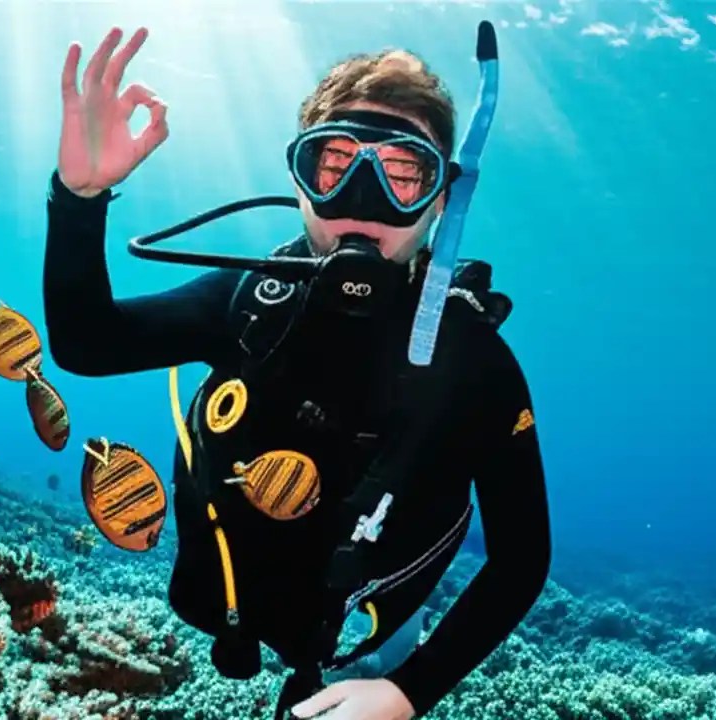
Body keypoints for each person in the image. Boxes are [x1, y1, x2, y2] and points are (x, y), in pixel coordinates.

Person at [43, 25, 551, 720]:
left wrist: (408, 691)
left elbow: (522, 558)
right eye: (334, 163)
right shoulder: (250, 302)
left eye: (404, 172)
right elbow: (85, 344)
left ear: (440, 200)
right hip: (226, 602)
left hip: (365, 631)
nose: (365, 199)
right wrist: (78, 197)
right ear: (299, 184)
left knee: (375, 656)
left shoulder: (472, 362)